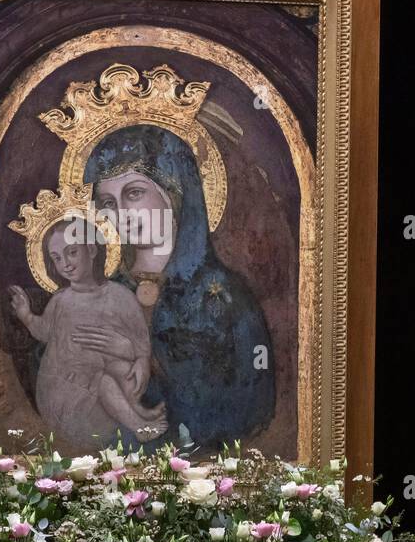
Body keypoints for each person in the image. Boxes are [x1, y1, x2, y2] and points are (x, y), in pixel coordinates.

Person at [83, 125, 276, 450]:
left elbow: (251, 402)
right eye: (108, 202)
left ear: (173, 193)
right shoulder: (101, 294)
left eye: (133, 193)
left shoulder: (225, 298)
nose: (122, 214)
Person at [9, 217, 167, 447]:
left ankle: (139, 413)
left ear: (92, 250)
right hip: (64, 391)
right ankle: (138, 426)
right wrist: (26, 316)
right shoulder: (61, 300)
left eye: (71, 252)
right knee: (103, 380)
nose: (65, 264)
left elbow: (140, 337)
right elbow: (44, 332)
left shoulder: (120, 296)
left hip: (99, 395)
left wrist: (141, 359)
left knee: (122, 369)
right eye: (57, 258)